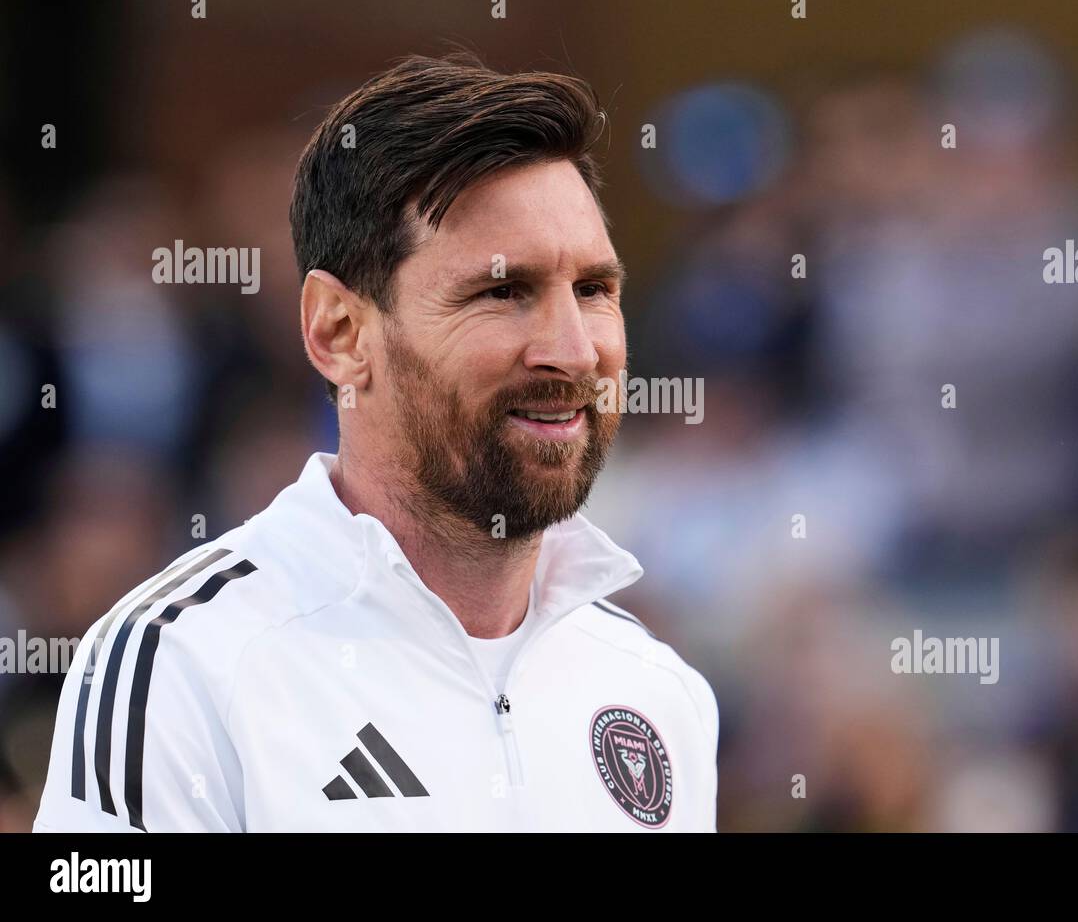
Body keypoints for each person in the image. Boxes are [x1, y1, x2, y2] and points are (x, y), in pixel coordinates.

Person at [34, 53, 718, 831]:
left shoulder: (659, 691)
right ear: (340, 332)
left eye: (594, 290)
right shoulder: (179, 664)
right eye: (502, 292)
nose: (574, 349)